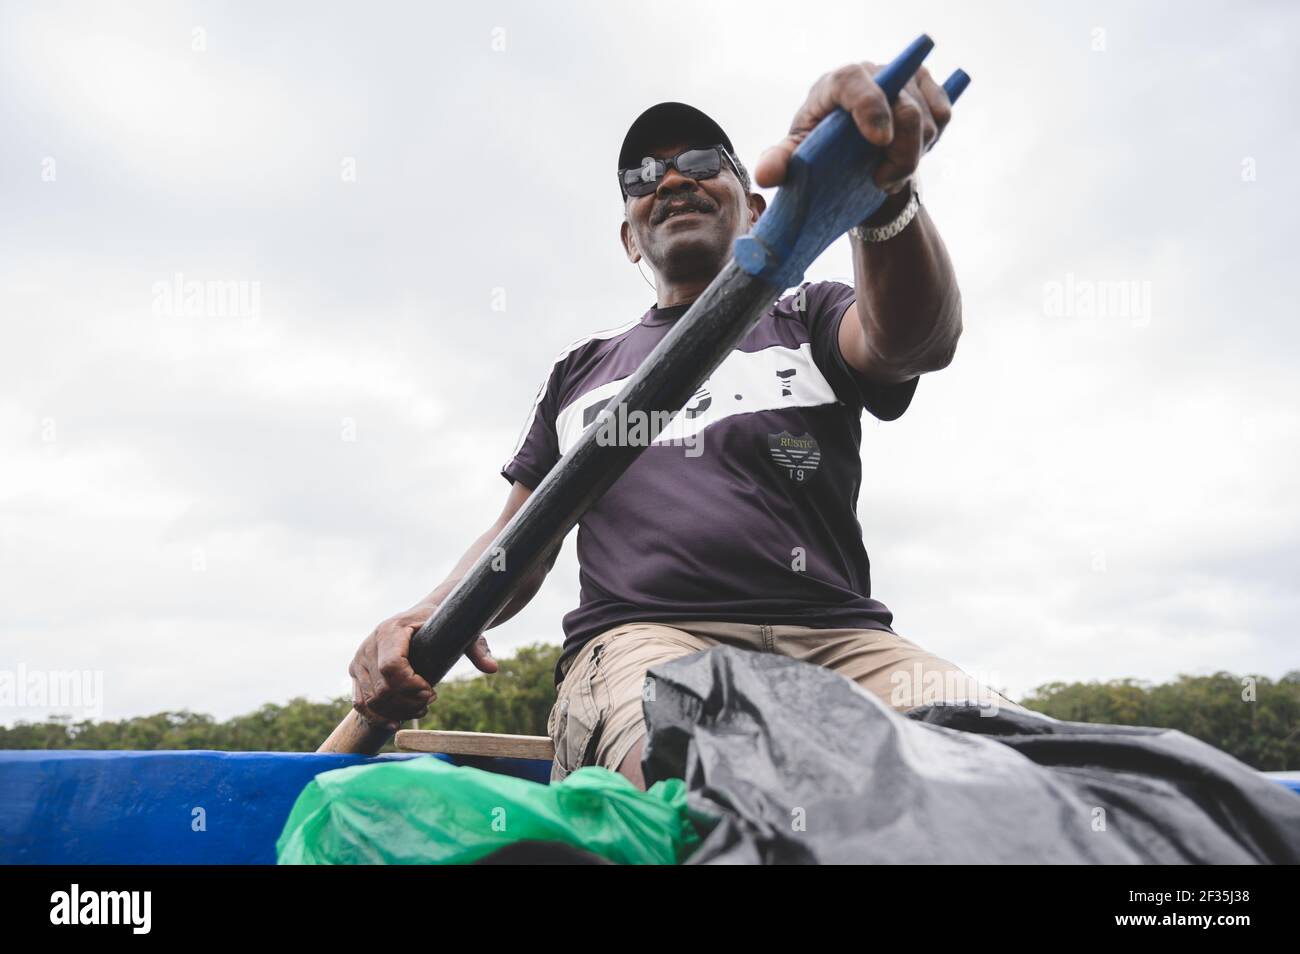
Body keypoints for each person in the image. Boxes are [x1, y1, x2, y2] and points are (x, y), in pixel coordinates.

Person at [348, 61, 1020, 790]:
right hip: (647, 639)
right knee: (702, 782)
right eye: (642, 177)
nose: (668, 181)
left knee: (1025, 771)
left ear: (757, 210)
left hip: (842, 640)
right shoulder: (583, 373)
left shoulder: (810, 315)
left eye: (700, 163)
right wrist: (428, 613)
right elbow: (519, 544)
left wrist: (884, 200)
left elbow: (915, 342)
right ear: (630, 240)